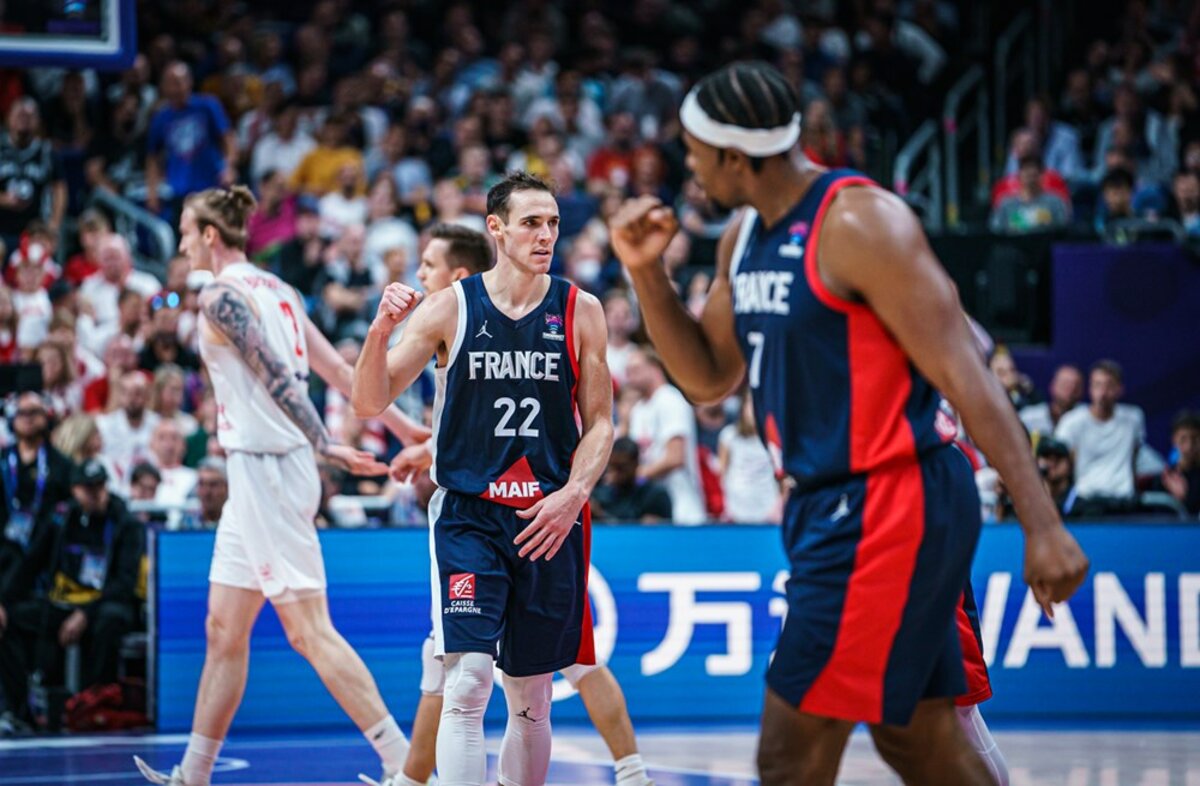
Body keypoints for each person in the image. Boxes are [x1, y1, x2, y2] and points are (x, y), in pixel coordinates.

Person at [609, 61, 1087, 785]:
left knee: (789, 753)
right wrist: (648, 275)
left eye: (696, 152)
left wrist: (1042, 523)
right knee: (917, 737)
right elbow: (709, 376)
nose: (690, 168)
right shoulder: (744, 236)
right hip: (827, 504)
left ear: (735, 156)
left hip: (890, 499)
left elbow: (970, 377)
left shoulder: (860, 223)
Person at [133, 185, 429, 786]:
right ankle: (194, 773)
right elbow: (341, 371)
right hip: (259, 472)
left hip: (271, 465)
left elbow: (277, 377)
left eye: (186, 231)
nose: (182, 243)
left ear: (209, 235)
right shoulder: (281, 290)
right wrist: (405, 429)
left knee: (308, 629)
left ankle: (405, 767)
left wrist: (324, 443)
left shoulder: (221, 295)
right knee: (223, 628)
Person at [352, 172, 620, 786]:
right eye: (531, 223)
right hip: (470, 515)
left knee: (531, 698)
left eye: (553, 223)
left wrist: (575, 493)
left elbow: (602, 423)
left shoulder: (581, 309)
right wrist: (379, 330)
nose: (546, 235)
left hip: (548, 518)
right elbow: (368, 400)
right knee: (468, 680)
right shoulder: (451, 306)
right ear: (496, 229)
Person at [0, 459, 143, 728]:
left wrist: (85, 614)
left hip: (103, 604)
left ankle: (95, 705)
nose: (95, 494)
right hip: (63, 601)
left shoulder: (125, 523)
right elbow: (31, 564)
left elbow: (124, 583)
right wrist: (3, 602)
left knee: (111, 620)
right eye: (88, 488)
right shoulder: (62, 520)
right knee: (12, 620)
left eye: (99, 486)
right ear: (74, 490)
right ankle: (19, 709)